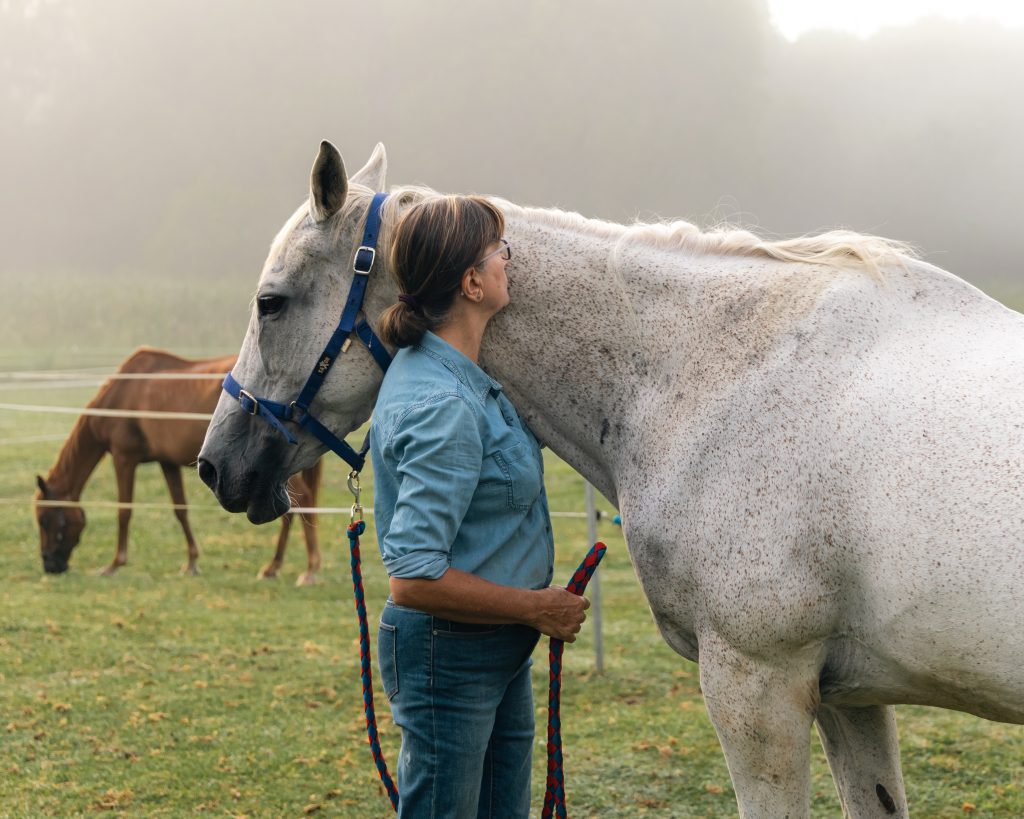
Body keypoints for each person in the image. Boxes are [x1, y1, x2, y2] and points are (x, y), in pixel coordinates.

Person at [371, 194, 590, 818]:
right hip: (451, 653)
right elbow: (413, 578)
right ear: (472, 283)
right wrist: (538, 607)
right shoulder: (444, 406)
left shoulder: (451, 372)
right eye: (499, 252)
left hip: (489, 646)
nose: (508, 262)